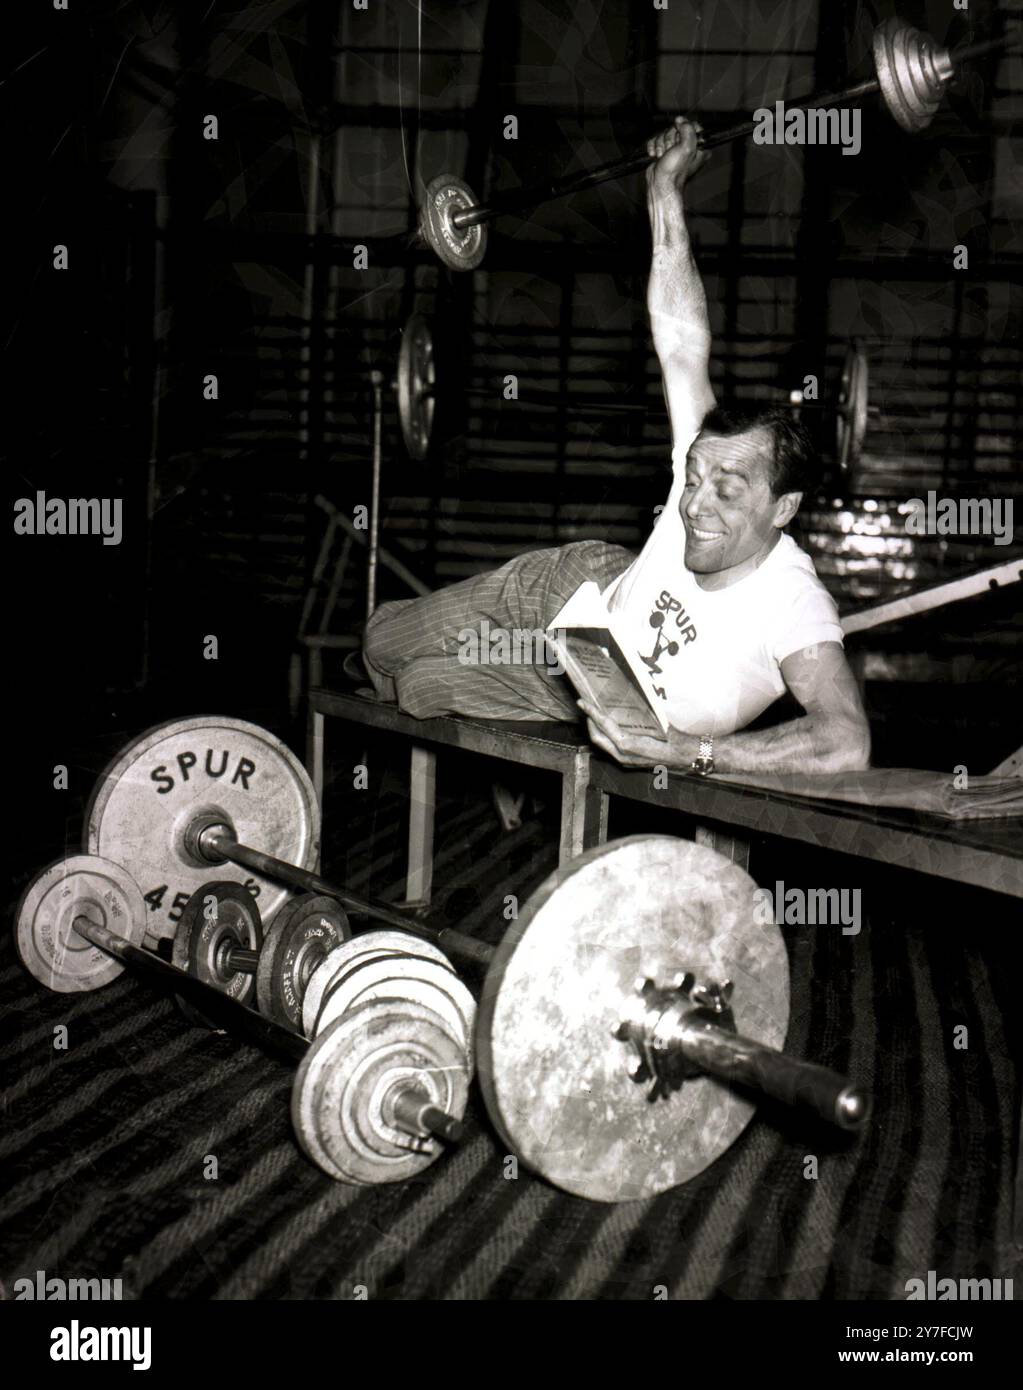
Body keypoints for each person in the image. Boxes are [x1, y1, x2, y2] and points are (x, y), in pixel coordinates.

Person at [362, 118, 871, 776]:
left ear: (783, 507)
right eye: (692, 478)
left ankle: (470, 738)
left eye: (726, 488)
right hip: (570, 593)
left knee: (418, 689)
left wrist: (693, 753)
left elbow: (845, 742)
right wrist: (664, 193)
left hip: (572, 690)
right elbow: (683, 345)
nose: (693, 504)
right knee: (382, 640)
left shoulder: (793, 603)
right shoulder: (709, 454)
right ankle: (382, 658)